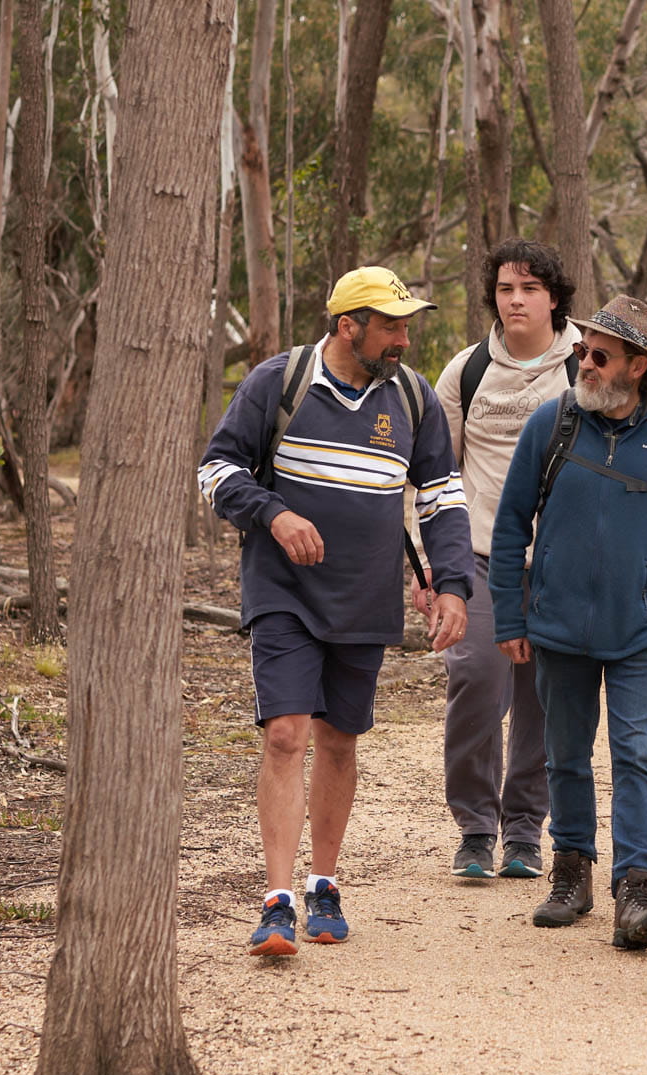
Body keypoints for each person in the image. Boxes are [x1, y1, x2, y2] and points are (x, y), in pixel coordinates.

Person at [199, 266, 474, 956]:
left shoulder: (412, 399)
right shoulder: (279, 383)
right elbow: (216, 471)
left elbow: (441, 496)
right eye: (392, 325)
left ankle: (325, 882)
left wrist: (453, 586)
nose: (404, 339)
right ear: (348, 325)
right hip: (283, 591)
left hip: (366, 594)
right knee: (287, 733)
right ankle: (276, 900)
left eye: (406, 324)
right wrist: (275, 513)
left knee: (339, 740)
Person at [490, 295, 647, 950]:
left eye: (599, 355)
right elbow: (509, 527)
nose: (583, 363)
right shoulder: (549, 427)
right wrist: (510, 613)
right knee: (564, 756)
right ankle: (571, 872)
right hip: (556, 628)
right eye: (583, 351)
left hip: (644, 634)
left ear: (637, 366)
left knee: (634, 753)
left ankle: (636, 888)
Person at [429, 240, 581, 880]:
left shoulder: (586, 368)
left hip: (561, 563)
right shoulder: (464, 372)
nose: (515, 300)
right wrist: (435, 570)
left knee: (543, 700)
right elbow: (436, 476)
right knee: (475, 686)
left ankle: (524, 831)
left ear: (553, 298)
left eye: (529, 289)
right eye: (504, 289)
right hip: (483, 556)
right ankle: (474, 828)